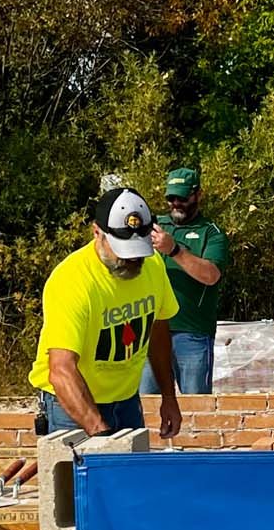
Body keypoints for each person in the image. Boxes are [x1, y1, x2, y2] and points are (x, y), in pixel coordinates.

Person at [30, 188, 183, 440]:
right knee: (83, 478)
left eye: (138, 252)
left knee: (129, 478)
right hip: (71, 405)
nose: (132, 261)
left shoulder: (153, 266)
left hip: (126, 401)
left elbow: (158, 330)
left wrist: (169, 397)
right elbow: (61, 370)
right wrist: (102, 437)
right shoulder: (71, 281)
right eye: (123, 252)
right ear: (97, 233)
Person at [141, 168, 228, 396]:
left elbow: (211, 276)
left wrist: (174, 250)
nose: (176, 203)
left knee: (196, 404)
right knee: (145, 404)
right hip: (150, 330)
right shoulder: (152, 226)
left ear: (198, 195)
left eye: (182, 197)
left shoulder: (212, 232)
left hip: (192, 332)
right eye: (171, 198)